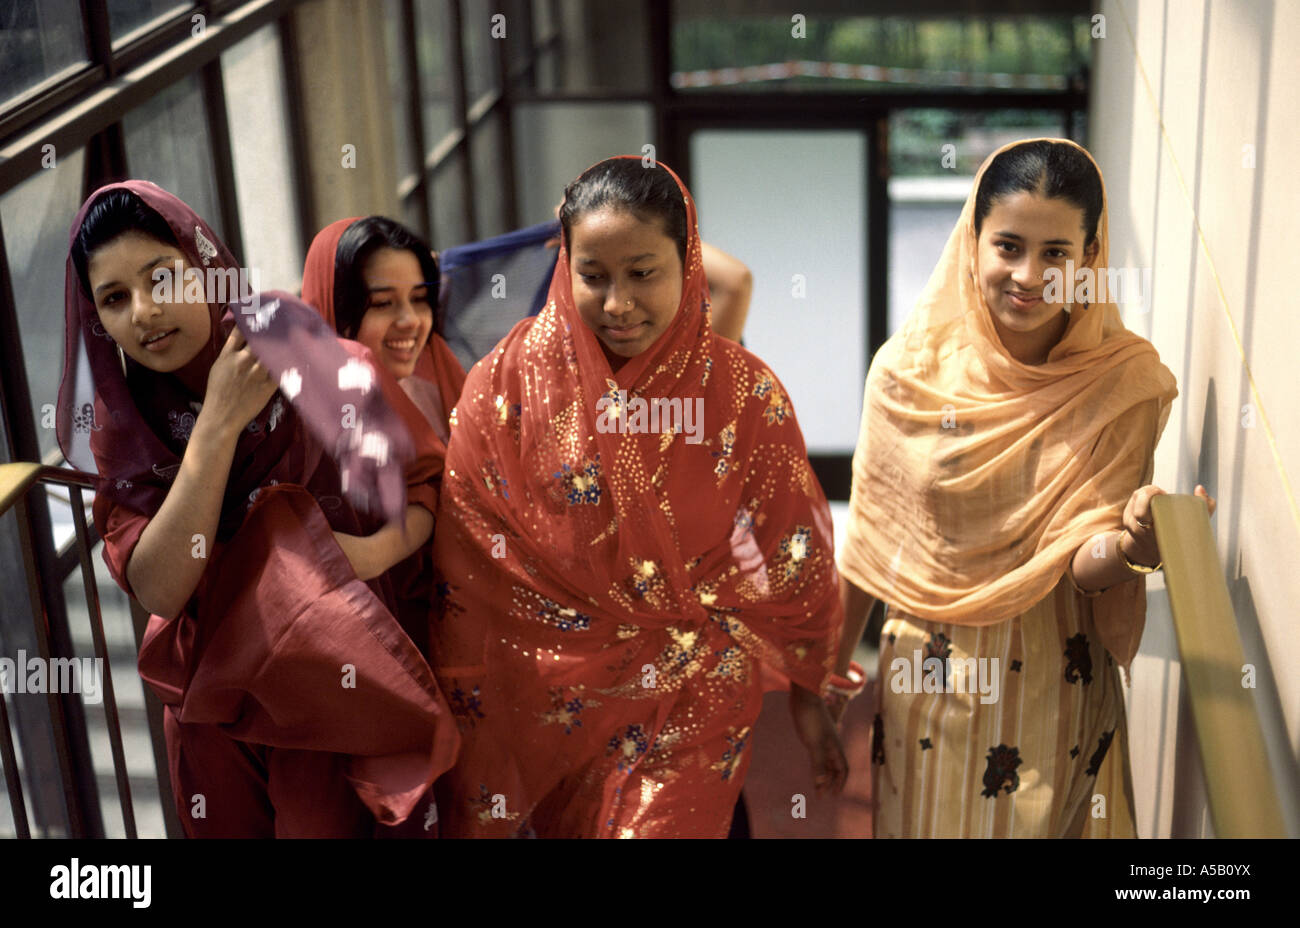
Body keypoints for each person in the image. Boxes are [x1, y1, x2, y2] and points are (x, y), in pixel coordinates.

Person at [429, 156, 847, 838]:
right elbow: (469, 555)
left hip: (698, 686)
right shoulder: (506, 383)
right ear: (566, 268)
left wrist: (807, 689)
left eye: (643, 274)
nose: (618, 305)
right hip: (552, 693)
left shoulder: (740, 389)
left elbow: (792, 540)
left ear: (687, 264)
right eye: (593, 277)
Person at [834, 138, 1216, 837]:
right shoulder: (909, 374)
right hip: (931, 683)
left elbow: (1083, 563)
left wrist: (1136, 543)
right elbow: (870, 539)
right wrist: (825, 685)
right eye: (1008, 246)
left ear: (1089, 258)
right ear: (972, 243)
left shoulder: (1121, 384)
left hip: (1056, 685)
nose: (1029, 275)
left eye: (1056, 254)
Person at [59, 181, 459, 837]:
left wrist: (364, 555)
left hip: (342, 675)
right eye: (114, 299)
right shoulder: (123, 429)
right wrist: (216, 424)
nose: (145, 311)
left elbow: (426, 481)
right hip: (217, 705)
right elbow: (161, 583)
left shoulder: (300, 348)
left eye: (162, 278)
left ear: (204, 265)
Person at [301, 215, 467, 654]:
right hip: (364, 638)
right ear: (334, 304)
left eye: (419, 299)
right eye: (382, 303)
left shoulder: (438, 366)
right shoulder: (302, 412)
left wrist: (375, 552)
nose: (411, 321)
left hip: (456, 612)